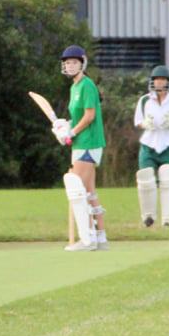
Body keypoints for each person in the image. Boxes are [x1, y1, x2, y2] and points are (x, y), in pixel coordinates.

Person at [53, 45, 108, 250]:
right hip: (79, 143)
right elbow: (77, 117)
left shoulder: (86, 85)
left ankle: (87, 239)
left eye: (74, 62)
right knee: (90, 191)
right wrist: (64, 127)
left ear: (82, 63)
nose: (70, 66)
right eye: (67, 63)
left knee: (78, 190)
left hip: (89, 142)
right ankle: (101, 238)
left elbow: (89, 116)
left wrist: (72, 132)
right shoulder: (74, 87)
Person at [133, 65, 169, 228]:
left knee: (168, 179)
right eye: (157, 80)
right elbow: (138, 122)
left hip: (168, 144)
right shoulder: (144, 101)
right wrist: (146, 124)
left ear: (168, 82)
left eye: (163, 80)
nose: (160, 83)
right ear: (152, 82)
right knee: (146, 179)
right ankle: (148, 217)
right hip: (148, 144)